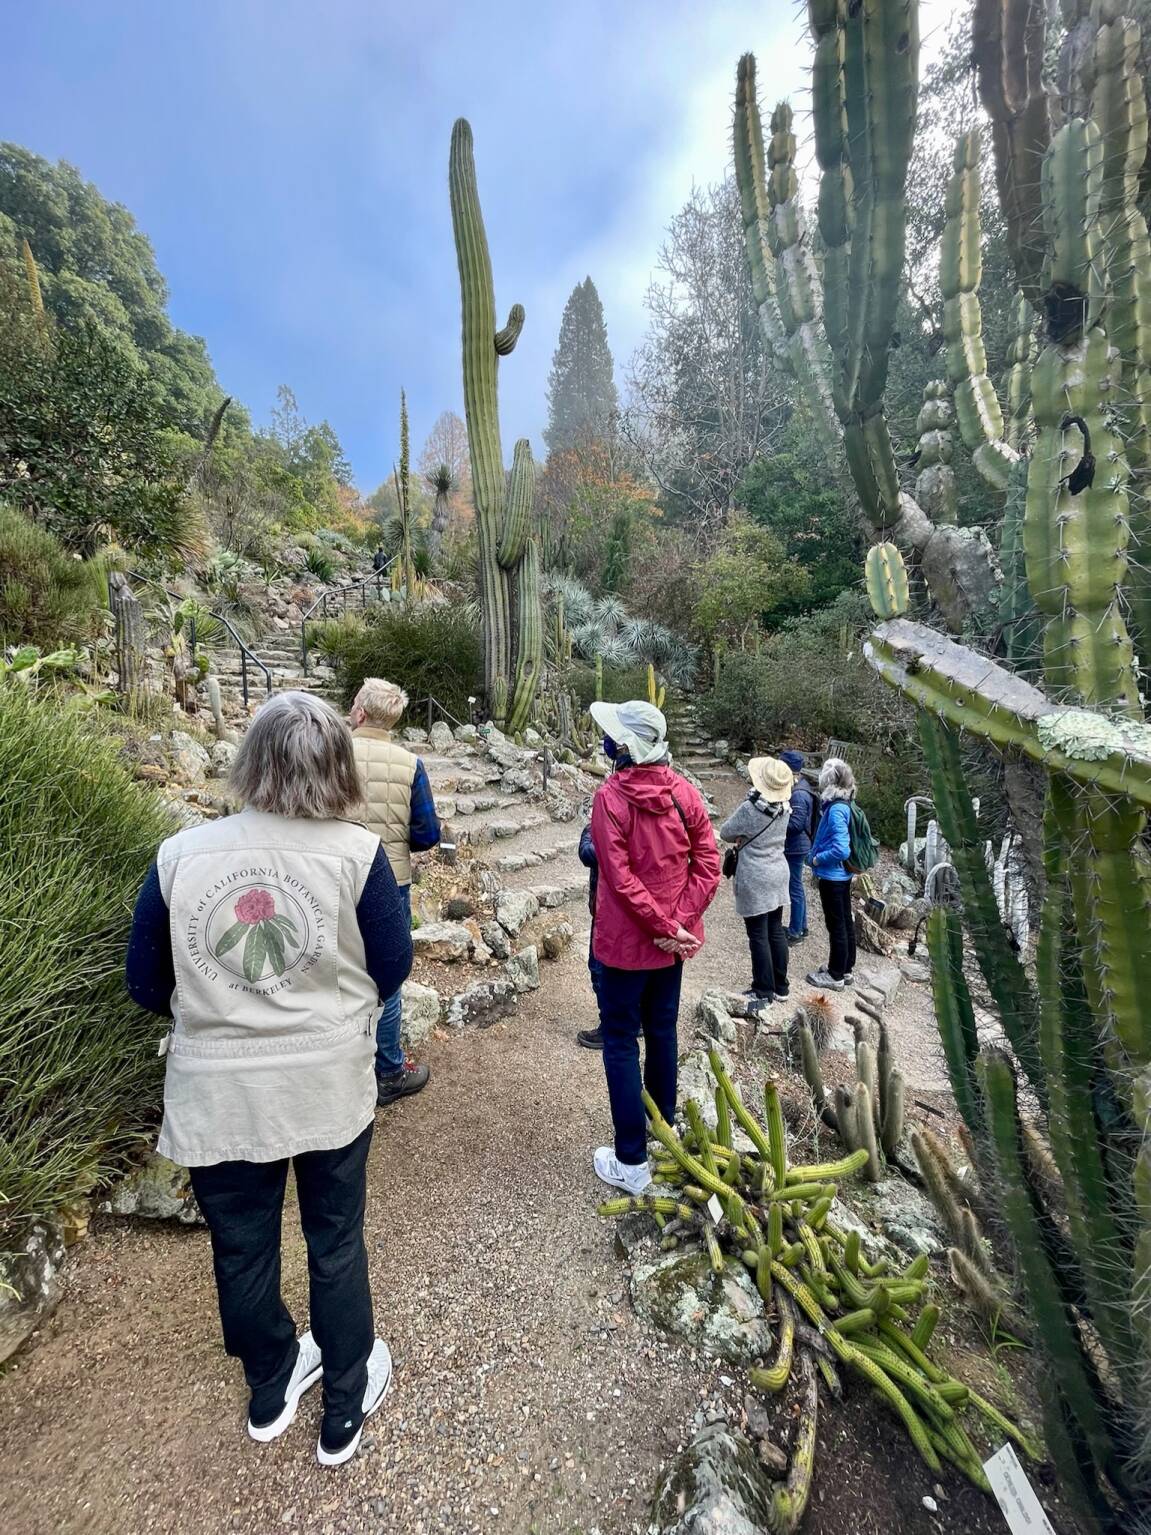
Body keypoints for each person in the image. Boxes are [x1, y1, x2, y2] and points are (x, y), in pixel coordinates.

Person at [125, 691, 412, 1467]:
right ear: (337, 764)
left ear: (250, 761)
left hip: (217, 1091)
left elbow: (145, 982)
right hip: (324, 1085)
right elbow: (393, 968)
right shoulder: (357, 853)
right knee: (335, 1239)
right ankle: (344, 1405)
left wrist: (224, 1009)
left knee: (242, 1246)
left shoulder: (180, 854)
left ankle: (270, 1384)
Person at [588, 699, 721, 1195]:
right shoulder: (684, 793)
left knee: (621, 1040)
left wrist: (667, 923)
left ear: (625, 747)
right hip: (668, 949)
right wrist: (679, 924)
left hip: (625, 944)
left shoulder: (611, 799)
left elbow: (618, 878)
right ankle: (664, 1134)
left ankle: (632, 1162)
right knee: (663, 1030)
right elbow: (709, 861)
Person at [350, 677, 441, 1105]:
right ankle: (388, 1070)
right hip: (391, 882)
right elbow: (427, 833)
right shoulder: (410, 764)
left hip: (333, 876)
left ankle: (341, 1064)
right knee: (388, 977)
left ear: (360, 712)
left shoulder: (333, 753)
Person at [719, 757, 794, 1008]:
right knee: (775, 928)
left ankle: (763, 989)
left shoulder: (752, 809)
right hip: (778, 871)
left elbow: (726, 831)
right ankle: (781, 985)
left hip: (756, 873)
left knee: (757, 933)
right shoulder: (785, 807)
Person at [805, 756, 858, 991]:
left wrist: (818, 858)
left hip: (832, 876)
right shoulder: (847, 803)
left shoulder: (835, 810)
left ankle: (835, 974)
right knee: (845, 920)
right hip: (843, 876)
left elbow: (841, 848)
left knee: (836, 923)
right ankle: (845, 968)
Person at [779, 750, 818, 945]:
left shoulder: (799, 794)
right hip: (799, 846)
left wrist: (777, 822)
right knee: (797, 886)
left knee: (794, 887)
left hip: (796, 847)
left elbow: (797, 824)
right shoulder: (801, 787)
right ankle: (801, 927)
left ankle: (795, 932)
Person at [575, 820, 605, 1049]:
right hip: (608, 909)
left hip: (609, 913)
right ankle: (632, 1020)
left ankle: (610, 1026)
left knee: (599, 968)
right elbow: (586, 852)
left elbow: (587, 851)